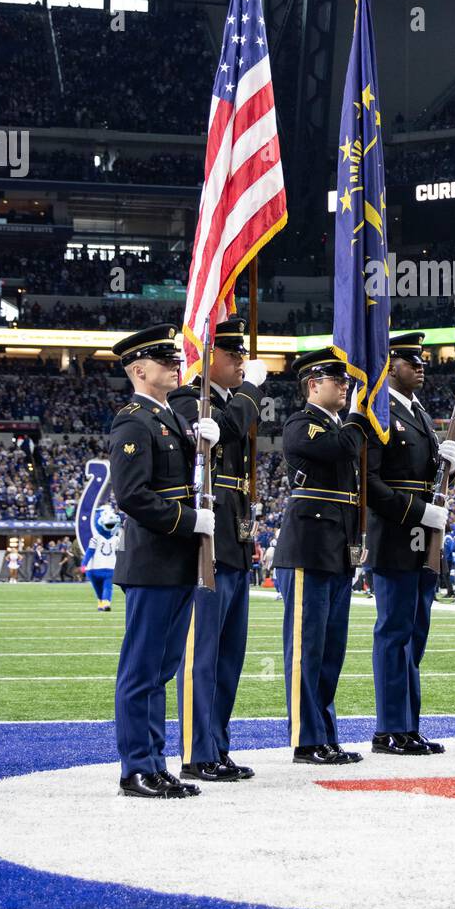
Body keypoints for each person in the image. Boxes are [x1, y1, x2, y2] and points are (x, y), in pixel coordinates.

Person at [110, 323, 218, 799]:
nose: (177, 366)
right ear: (139, 370)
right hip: (154, 561)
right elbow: (132, 496)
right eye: (165, 360)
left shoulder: (169, 416)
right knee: (142, 670)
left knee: (162, 669)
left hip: (175, 561)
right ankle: (137, 768)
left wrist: (209, 442)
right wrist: (190, 521)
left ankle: (154, 764)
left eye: (175, 359)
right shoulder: (134, 421)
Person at [171, 316, 268, 783]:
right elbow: (226, 430)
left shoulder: (229, 401)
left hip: (234, 541)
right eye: (232, 355)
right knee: (202, 653)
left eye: (242, 355)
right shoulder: (188, 400)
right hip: (206, 546)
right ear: (209, 357)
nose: (241, 362)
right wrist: (251, 390)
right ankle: (196, 751)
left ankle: (217, 746)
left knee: (229, 657)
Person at [273, 347, 369, 765]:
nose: (346, 386)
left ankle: (325, 735)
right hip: (308, 549)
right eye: (338, 380)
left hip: (337, 550)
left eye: (346, 380)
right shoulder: (301, 423)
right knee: (306, 649)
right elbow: (341, 448)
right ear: (313, 385)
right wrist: (360, 416)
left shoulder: (337, 425)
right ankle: (306, 739)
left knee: (331, 651)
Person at [366, 332, 455, 755]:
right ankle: (388, 728)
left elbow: (429, 477)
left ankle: (408, 726)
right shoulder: (380, 413)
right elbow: (370, 483)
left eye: (421, 362)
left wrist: (450, 465)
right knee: (394, 632)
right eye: (411, 362)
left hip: (424, 536)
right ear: (391, 366)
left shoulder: (417, 411)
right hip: (395, 533)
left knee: (415, 632)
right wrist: (418, 512)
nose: (420, 368)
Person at [82, 504, 121, 611]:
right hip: (94, 568)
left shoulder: (118, 539)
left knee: (108, 586)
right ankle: (101, 601)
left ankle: (106, 602)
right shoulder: (95, 538)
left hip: (109, 567)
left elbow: (121, 553)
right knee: (98, 587)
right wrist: (84, 564)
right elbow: (89, 552)